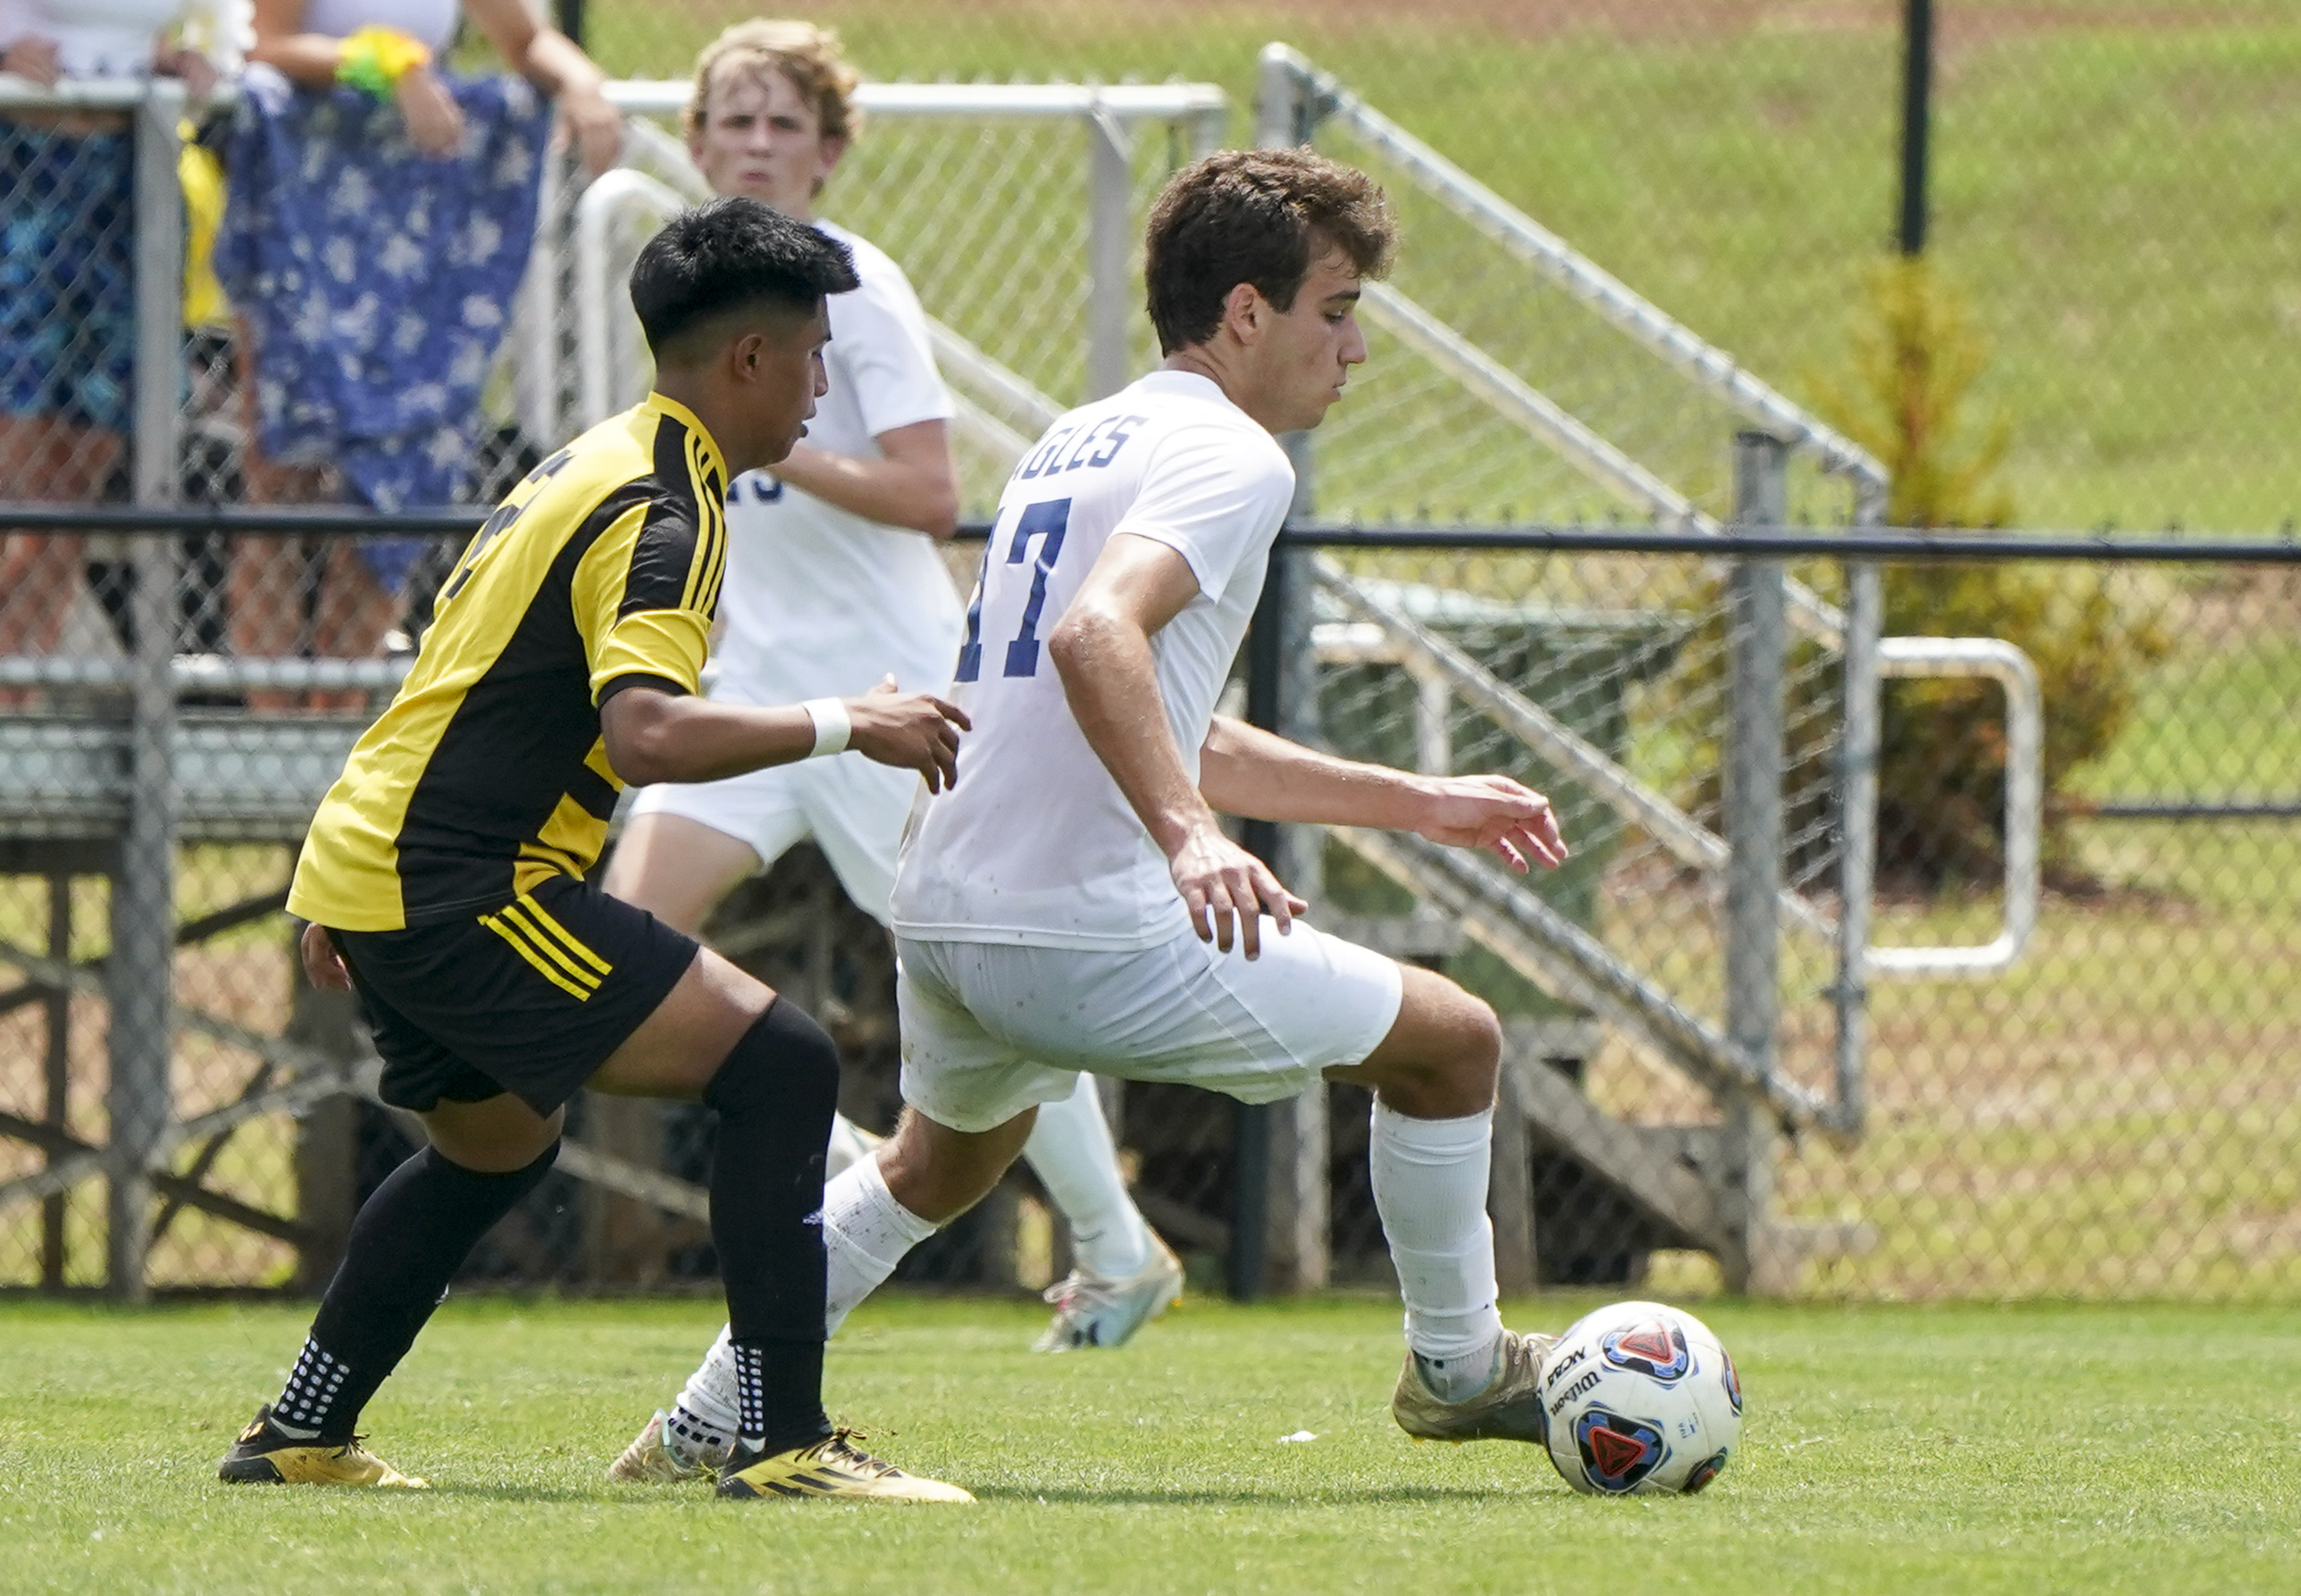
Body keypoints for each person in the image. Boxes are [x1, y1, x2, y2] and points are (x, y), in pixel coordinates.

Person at [627, 148, 1575, 1462]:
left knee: (932, 1168)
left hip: (947, 910)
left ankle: (698, 1417)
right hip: (1079, 929)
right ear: (1247, 312)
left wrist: (1416, 801)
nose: (1352, 350)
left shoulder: (1081, 433)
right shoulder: (1236, 458)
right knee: (1455, 1040)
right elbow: (1095, 641)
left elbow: (1156, 709)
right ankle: (1462, 1369)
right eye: (1337, 309)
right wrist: (1190, 840)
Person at [214, 197, 972, 1504]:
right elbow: (648, 735)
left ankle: (299, 1430)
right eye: (810, 355)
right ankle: (784, 1439)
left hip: (390, 866)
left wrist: (340, 874)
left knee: (497, 1143)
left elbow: (442, 676)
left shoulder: (587, 459)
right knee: (782, 1061)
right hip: (462, 882)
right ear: (748, 358)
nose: (821, 385)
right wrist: (857, 721)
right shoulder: (665, 503)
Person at [599, 20, 1174, 1484]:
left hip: (890, 700)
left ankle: (1113, 1247)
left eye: (780, 122)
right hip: (746, 700)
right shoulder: (688, 282)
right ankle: (868, 1165)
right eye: (727, 116)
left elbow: (928, 487)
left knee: (988, 973)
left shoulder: (853, 287)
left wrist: (766, 434)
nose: (749, 142)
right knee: (607, 969)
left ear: (831, 148)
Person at [220, 0, 623, 706]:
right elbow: (264, 47)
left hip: (416, 239)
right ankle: (270, 719)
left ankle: (335, 726)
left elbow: (530, 43)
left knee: (396, 487)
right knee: (284, 474)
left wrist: (583, 84)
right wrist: (390, 65)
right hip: (303, 221)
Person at [0, 0, 222, 692]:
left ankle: (18, 695)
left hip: (131, 177)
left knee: (75, 479)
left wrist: (167, 59)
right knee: (19, 473)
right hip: (21, 180)